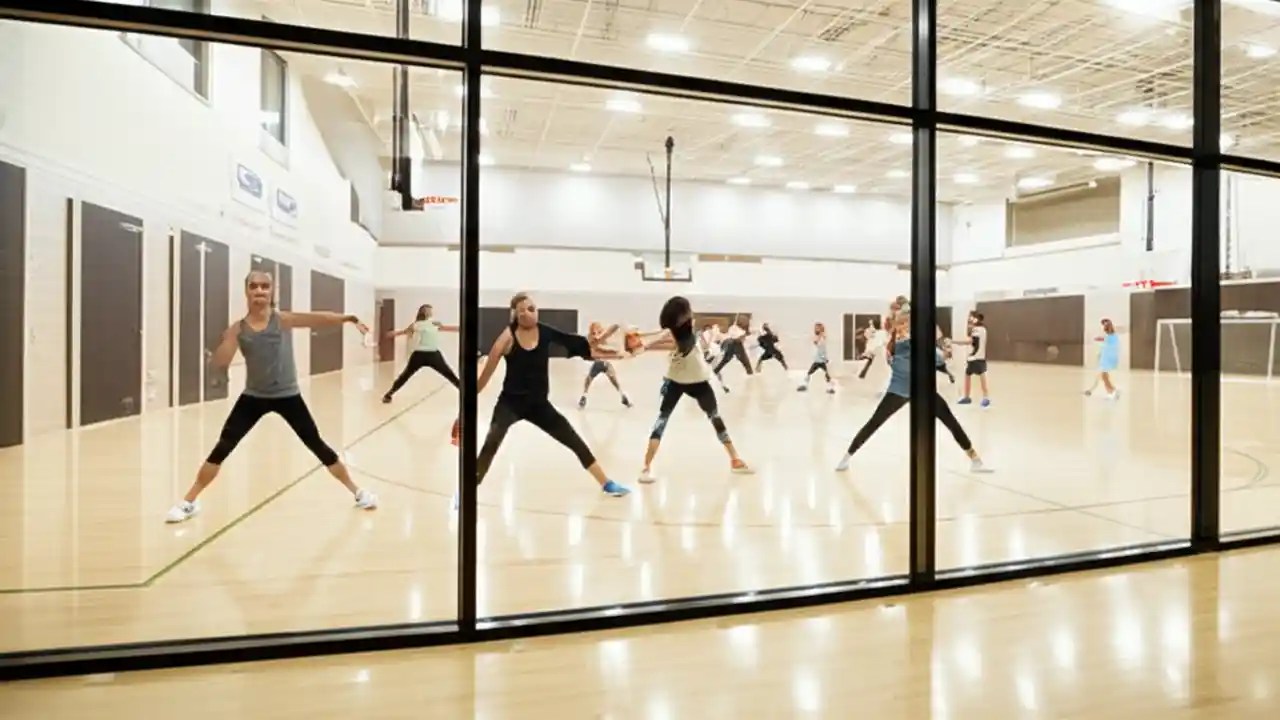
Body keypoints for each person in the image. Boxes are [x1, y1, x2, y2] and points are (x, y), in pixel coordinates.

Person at [166, 271, 377, 523]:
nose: (259, 291)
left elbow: (316, 319)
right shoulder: (238, 329)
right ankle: (189, 501)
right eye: (254, 286)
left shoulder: (282, 320)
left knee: (317, 444)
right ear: (247, 291)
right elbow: (221, 362)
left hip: (288, 396)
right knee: (223, 447)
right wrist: (224, 346)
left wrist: (347, 318)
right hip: (254, 397)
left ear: (271, 291)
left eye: (265, 287)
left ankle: (358, 492)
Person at [472, 292, 630, 497]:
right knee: (491, 443)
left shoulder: (544, 332)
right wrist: (466, 402)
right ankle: (467, 489)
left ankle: (606, 483)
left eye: (531, 309)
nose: (528, 314)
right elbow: (485, 376)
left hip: (539, 405)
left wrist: (607, 350)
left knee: (573, 440)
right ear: (515, 316)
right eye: (522, 311)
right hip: (509, 404)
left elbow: (572, 343)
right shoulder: (507, 337)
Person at [837, 309, 989, 473]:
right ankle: (847, 456)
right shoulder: (896, 344)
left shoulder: (908, 343)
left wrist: (943, 358)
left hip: (923, 390)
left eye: (907, 323)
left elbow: (937, 359)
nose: (905, 326)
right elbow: (928, 356)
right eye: (902, 323)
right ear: (897, 325)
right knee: (874, 422)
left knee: (950, 420)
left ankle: (975, 459)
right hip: (899, 391)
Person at [635, 297, 753, 483]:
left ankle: (646, 467)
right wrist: (643, 340)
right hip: (690, 381)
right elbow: (665, 336)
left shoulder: (684, 335)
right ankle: (734, 459)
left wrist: (644, 342)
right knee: (710, 418)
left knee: (667, 419)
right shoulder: (684, 336)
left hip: (684, 380)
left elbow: (663, 336)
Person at [382, 303, 459, 403]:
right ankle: (389, 394)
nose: (431, 312)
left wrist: (460, 328)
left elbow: (447, 328)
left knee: (449, 373)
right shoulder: (416, 324)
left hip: (434, 354)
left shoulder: (435, 324)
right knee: (405, 375)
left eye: (431, 310)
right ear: (423, 312)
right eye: (429, 310)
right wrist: (394, 334)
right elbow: (405, 331)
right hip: (419, 355)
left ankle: (465, 393)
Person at [578, 321, 633, 409]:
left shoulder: (602, 338)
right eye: (595, 329)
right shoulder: (592, 339)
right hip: (598, 362)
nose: (597, 332)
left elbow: (608, 337)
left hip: (605, 363)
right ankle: (584, 397)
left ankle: (623, 396)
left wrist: (616, 352)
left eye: (598, 329)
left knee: (614, 380)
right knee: (589, 379)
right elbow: (600, 347)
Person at [956, 311, 991, 407]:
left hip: (975, 357)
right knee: (971, 374)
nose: (969, 319)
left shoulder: (976, 330)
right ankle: (979, 397)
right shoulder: (983, 329)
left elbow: (970, 341)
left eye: (971, 317)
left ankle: (982, 397)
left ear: (976, 318)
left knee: (977, 375)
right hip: (981, 356)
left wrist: (954, 341)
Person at [1084, 318, 1122, 400]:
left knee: (1104, 376)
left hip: (1107, 359)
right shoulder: (1113, 336)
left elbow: (1104, 341)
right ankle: (1110, 392)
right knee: (1104, 376)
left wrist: (1095, 339)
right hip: (1110, 358)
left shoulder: (1110, 337)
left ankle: (1113, 391)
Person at [798, 322, 835, 393]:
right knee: (810, 373)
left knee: (827, 375)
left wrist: (825, 358)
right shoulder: (819, 337)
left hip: (822, 360)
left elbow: (820, 346)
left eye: (817, 328)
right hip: (817, 359)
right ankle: (805, 385)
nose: (816, 329)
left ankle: (830, 388)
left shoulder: (822, 338)